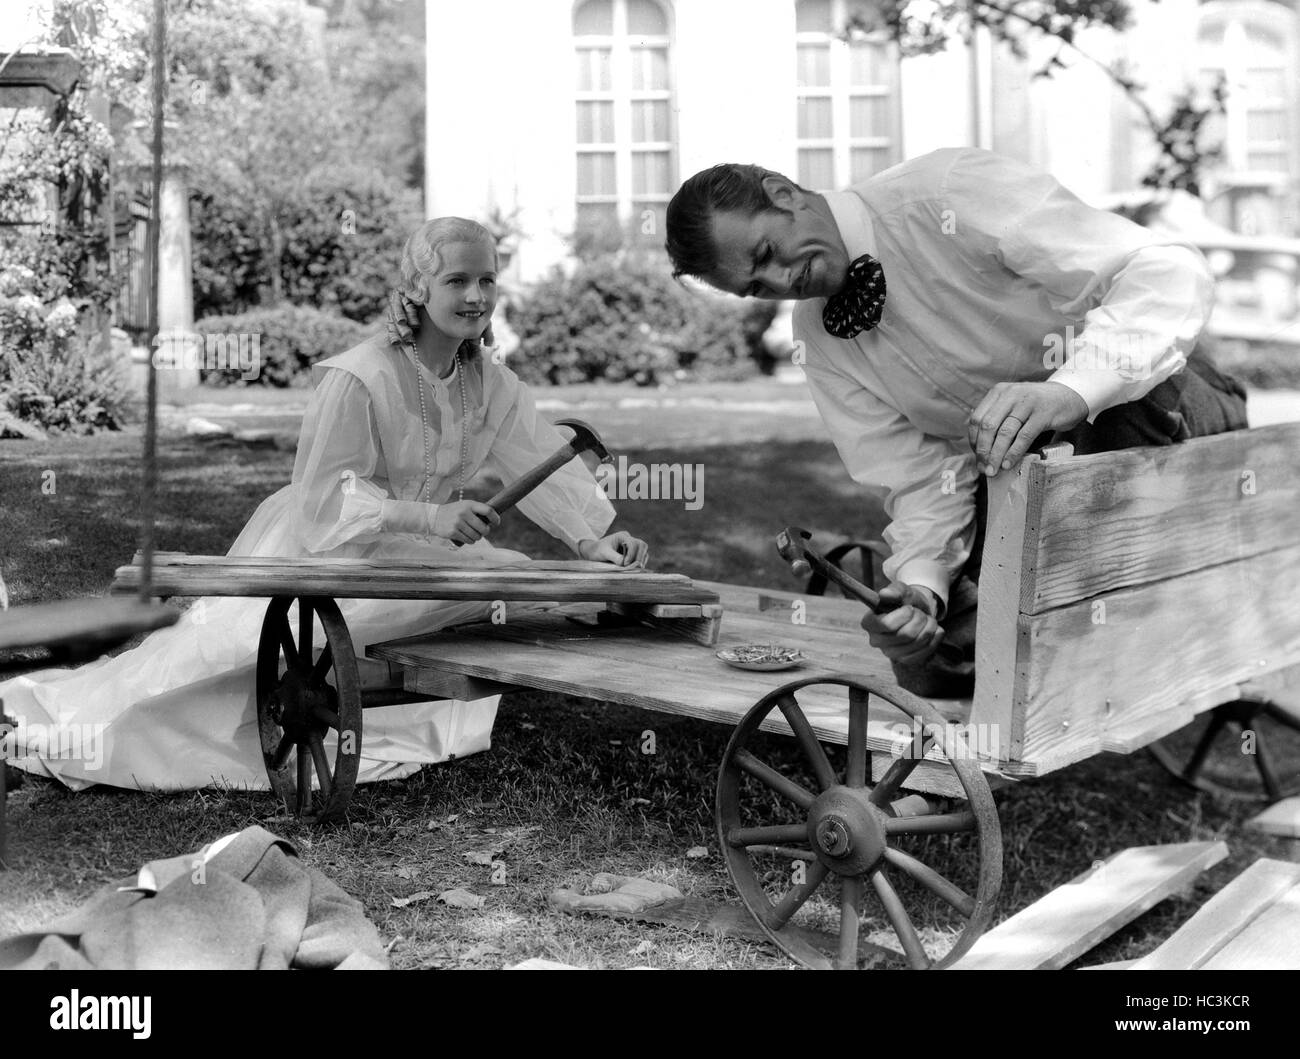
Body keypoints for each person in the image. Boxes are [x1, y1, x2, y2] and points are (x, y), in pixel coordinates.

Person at [2, 217, 647, 790]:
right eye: (457, 280)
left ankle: (405, 707)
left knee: (513, 581)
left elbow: (539, 456)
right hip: (332, 539)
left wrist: (590, 541)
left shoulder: (490, 382)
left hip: (426, 546)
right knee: (225, 659)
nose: (476, 296)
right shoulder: (360, 375)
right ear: (418, 288)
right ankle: (93, 724)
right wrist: (428, 516)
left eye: (487, 280)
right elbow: (326, 495)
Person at [665, 148, 1247, 696]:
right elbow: (922, 478)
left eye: (767, 256)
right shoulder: (819, 340)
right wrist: (922, 590)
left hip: (1171, 404)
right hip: (1034, 475)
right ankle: (1060, 644)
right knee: (926, 659)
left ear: (782, 192)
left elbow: (1164, 270)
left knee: (1097, 428)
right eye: (755, 287)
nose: (782, 284)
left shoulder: (948, 191)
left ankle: (1110, 631)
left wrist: (1071, 391)